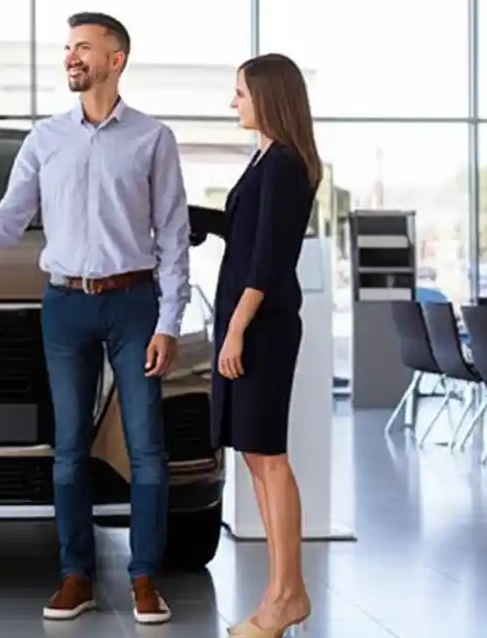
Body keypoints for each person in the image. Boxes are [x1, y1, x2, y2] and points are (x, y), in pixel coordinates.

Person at [0, 12, 191, 625]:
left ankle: (144, 578)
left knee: (147, 446)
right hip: (64, 305)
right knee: (67, 447)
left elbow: (173, 236)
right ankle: (76, 576)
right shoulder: (44, 140)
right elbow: (4, 224)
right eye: (67, 48)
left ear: (115, 60)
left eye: (83, 48)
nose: (71, 57)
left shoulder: (152, 138)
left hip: (134, 303)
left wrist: (169, 322)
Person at [212, 53, 321, 638]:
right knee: (256, 455)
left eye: (239, 94)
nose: (233, 103)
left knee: (269, 458)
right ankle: (284, 592)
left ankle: (286, 597)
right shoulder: (267, 160)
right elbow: (246, 231)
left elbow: (269, 260)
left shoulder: (281, 164)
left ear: (268, 97)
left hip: (262, 325)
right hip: (252, 321)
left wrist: (235, 329)